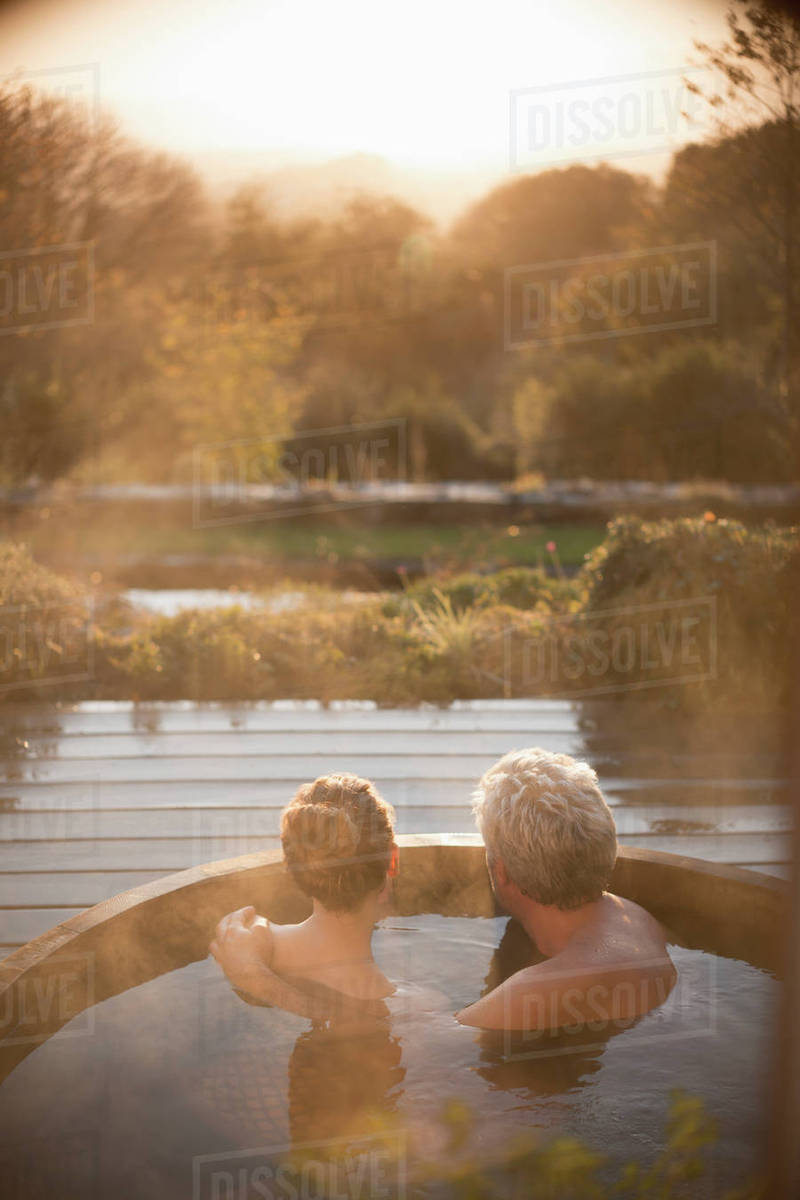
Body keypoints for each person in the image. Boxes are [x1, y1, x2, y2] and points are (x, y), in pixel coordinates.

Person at [455, 748, 677, 1030]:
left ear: (502, 872)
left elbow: (441, 1044)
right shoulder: (637, 920)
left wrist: (420, 1001)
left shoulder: (528, 995)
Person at [210, 772, 399, 1015]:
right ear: (393, 861)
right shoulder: (396, 1007)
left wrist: (252, 975)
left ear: (296, 864)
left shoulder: (241, 940)